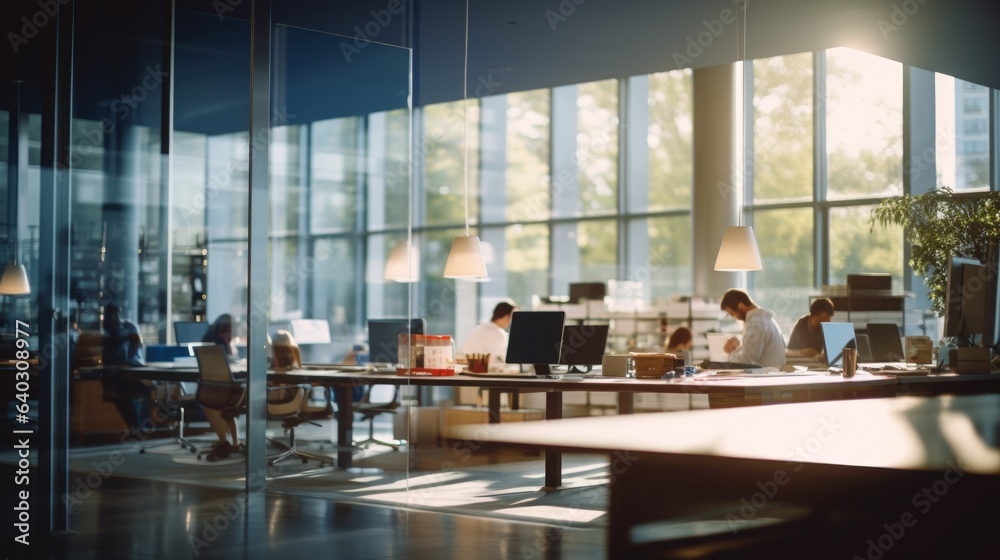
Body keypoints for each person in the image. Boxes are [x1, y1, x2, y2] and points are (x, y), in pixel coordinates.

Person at [101, 304, 152, 432]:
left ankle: (137, 428)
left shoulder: (129, 327)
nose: (113, 318)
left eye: (115, 315)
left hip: (132, 372)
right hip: (119, 375)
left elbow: (134, 350)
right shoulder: (109, 331)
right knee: (123, 398)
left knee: (130, 396)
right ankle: (136, 428)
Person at [200, 314, 241, 461]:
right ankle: (231, 443)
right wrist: (229, 344)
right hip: (230, 391)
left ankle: (225, 442)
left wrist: (229, 344)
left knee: (210, 405)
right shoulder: (222, 347)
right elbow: (233, 362)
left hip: (221, 391)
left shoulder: (209, 345)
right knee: (224, 407)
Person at [719, 289, 786, 369]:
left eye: (732, 313)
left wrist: (731, 351)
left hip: (763, 375)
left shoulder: (755, 324)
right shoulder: (768, 320)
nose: (734, 317)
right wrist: (739, 347)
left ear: (741, 306)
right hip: (773, 373)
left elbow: (746, 363)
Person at [461, 300, 517, 371]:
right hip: (489, 372)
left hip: (469, 370)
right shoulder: (500, 334)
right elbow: (504, 360)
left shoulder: (476, 330)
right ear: (507, 317)